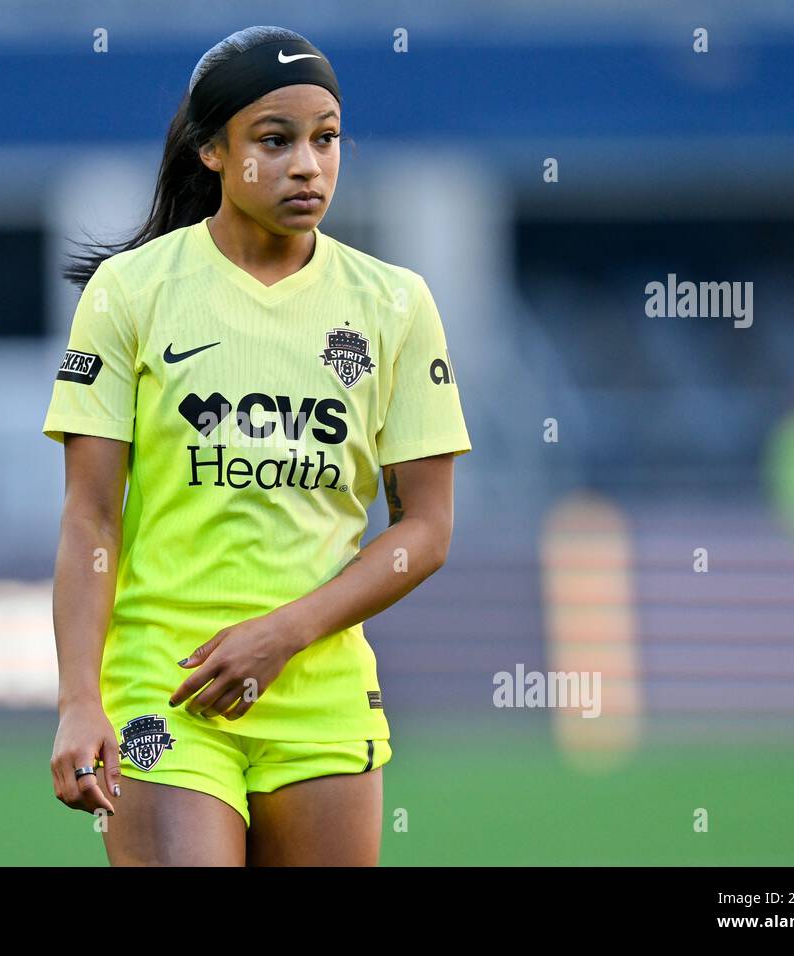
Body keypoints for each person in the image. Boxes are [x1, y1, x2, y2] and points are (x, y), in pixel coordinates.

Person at [42, 25, 472, 866]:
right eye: (274, 141)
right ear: (212, 151)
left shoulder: (394, 303)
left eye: (326, 138)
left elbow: (426, 531)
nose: (307, 165)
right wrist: (76, 699)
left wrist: (283, 633)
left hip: (321, 696)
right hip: (165, 693)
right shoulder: (131, 292)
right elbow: (91, 521)